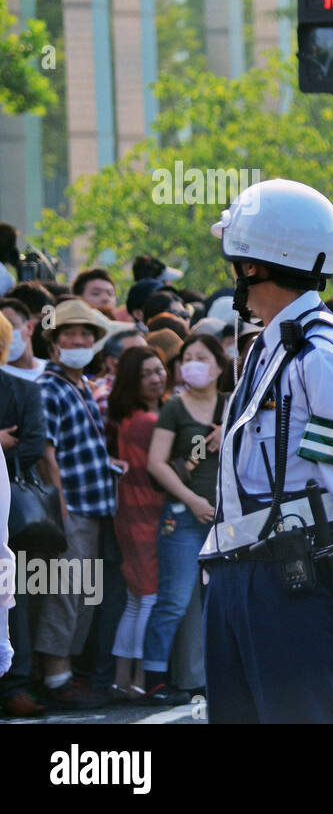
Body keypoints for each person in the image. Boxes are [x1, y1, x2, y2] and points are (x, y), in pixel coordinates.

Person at [201, 178, 333, 724]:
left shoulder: (321, 351)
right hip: (241, 572)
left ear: (254, 264)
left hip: (292, 580)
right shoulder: (269, 343)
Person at [34, 298, 126, 709]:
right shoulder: (48, 386)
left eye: (86, 334)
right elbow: (46, 452)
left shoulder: (81, 384)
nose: (79, 340)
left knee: (83, 594)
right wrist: (62, 503)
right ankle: (56, 680)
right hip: (72, 506)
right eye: (70, 333)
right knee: (66, 592)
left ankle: (68, 674)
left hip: (94, 505)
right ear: (53, 342)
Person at [141, 333, 228, 705]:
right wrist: (192, 500)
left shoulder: (233, 406)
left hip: (227, 519)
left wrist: (229, 431)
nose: (193, 363)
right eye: (187, 357)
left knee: (219, 602)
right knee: (175, 600)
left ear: (220, 367)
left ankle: (208, 675)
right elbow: (156, 463)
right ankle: (156, 678)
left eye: (202, 357)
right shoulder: (175, 408)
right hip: (184, 517)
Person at [104, 346, 168, 703]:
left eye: (159, 370)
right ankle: (142, 677)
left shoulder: (129, 418)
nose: (157, 378)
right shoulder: (148, 422)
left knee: (135, 600)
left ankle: (122, 679)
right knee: (149, 600)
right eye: (146, 374)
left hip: (130, 514)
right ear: (132, 380)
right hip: (147, 514)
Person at [0, 314, 48, 717]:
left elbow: (32, 444)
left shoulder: (22, 390)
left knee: (12, 596)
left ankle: (16, 682)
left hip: (10, 513)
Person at [0, 297, 48, 381]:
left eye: (11, 325)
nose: (6, 333)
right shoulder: (3, 379)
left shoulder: (50, 369)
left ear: (29, 328)